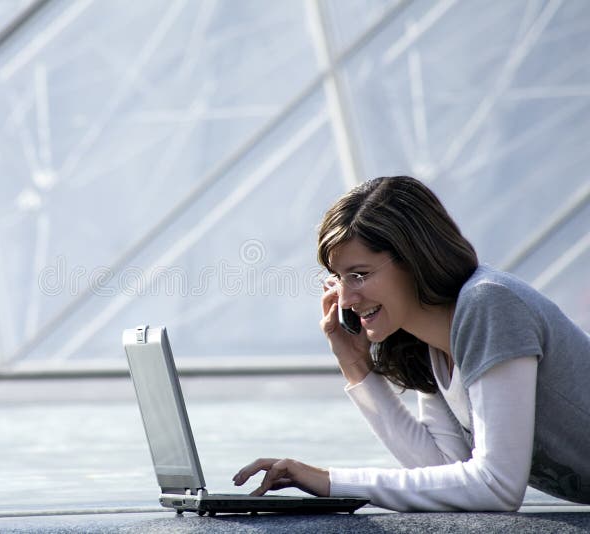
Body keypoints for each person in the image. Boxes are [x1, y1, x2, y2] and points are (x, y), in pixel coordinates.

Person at [232, 176, 590, 511]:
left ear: (414, 258)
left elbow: (497, 485)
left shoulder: (489, 304)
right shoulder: (430, 341)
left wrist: (332, 482)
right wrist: (355, 366)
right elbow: (443, 471)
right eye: (338, 278)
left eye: (360, 275)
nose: (344, 300)